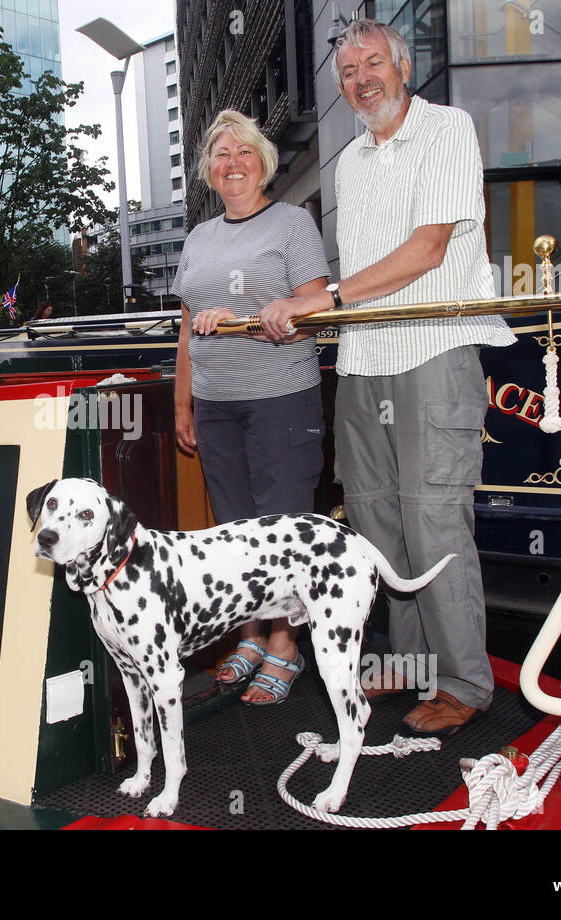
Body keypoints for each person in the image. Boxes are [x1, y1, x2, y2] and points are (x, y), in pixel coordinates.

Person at [259, 19, 514, 735]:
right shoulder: (348, 163)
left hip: (433, 351)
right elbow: (360, 276)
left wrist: (323, 298)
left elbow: (428, 252)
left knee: (435, 524)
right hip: (365, 361)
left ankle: (465, 683)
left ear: (403, 67)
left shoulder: (448, 130)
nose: (361, 77)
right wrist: (315, 308)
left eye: (374, 62)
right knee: (373, 524)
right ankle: (405, 666)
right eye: (348, 71)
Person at [173, 109, 330, 704]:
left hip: (280, 401)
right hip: (216, 407)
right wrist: (183, 404)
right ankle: (250, 635)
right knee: (235, 533)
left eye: (243, 152)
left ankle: (286, 646)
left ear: (262, 161)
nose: (232, 163)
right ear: (208, 171)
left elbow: (316, 299)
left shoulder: (292, 223)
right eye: (220, 154)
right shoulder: (199, 239)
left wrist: (285, 307)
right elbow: (187, 328)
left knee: (282, 532)